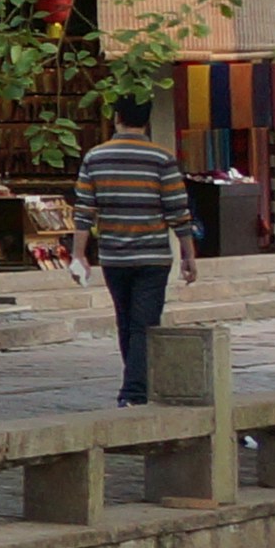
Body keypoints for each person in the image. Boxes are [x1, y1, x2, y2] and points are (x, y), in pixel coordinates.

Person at [75, 119, 191, 404]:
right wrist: (189, 254)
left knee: (126, 321)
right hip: (153, 255)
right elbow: (178, 210)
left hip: (114, 256)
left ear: (116, 118)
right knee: (144, 323)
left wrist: (78, 254)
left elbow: (84, 211)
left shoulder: (95, 157)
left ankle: (135, 386)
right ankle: (135, 391)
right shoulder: (162, 158)